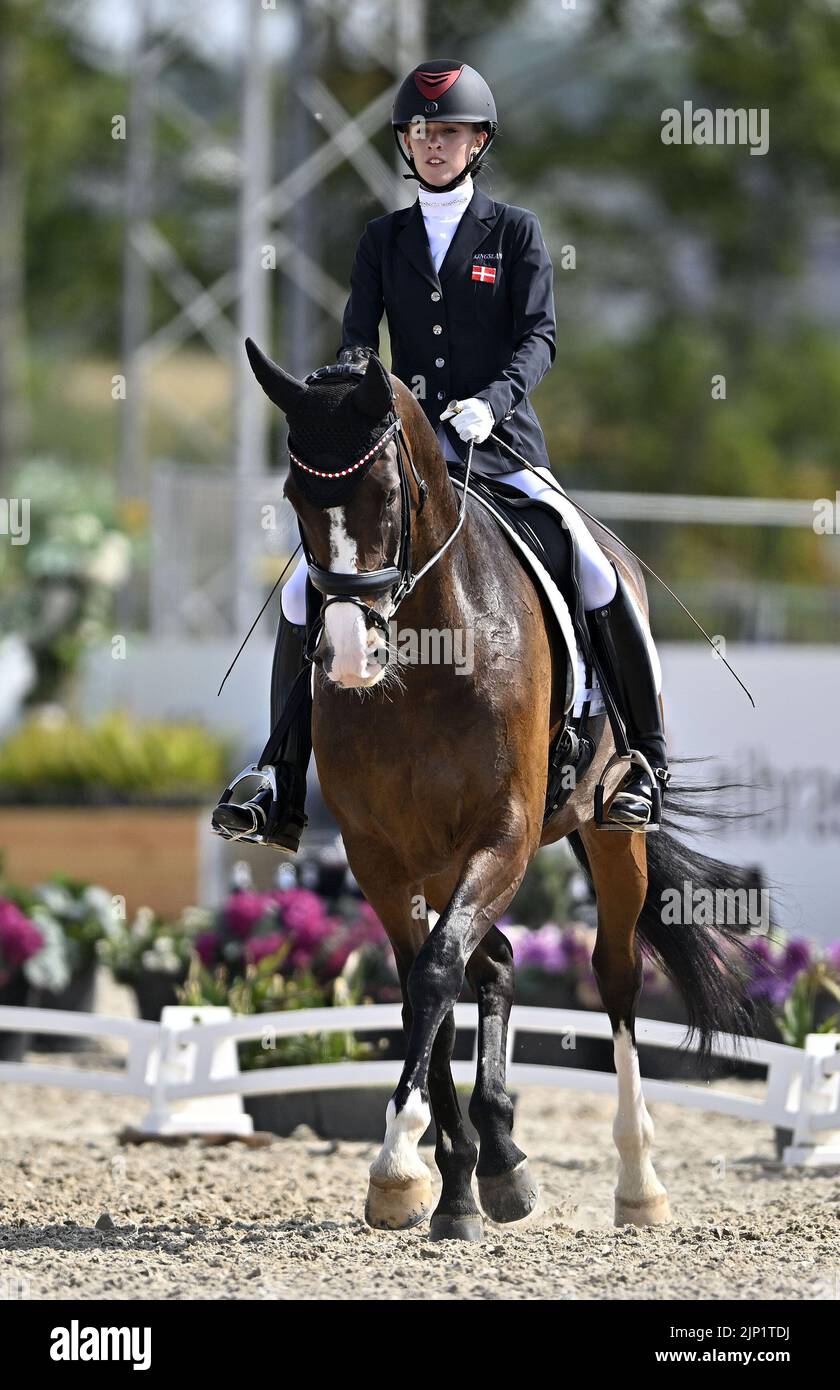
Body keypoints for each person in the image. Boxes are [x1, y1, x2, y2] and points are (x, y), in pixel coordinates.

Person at [212, 59, 669, 851]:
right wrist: (348, 394)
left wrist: (492, 403)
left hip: (499, 449)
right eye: (421, 131)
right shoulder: (381, 239)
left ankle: (643, 761)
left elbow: (540, 337)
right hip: (404, 460)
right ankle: (279, 780)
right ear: (405, 141)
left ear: (478, 141)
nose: (432, 143)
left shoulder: (515, 232)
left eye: (449, 131)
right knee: (298, 593)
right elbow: (360, 342)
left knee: (596, 570)